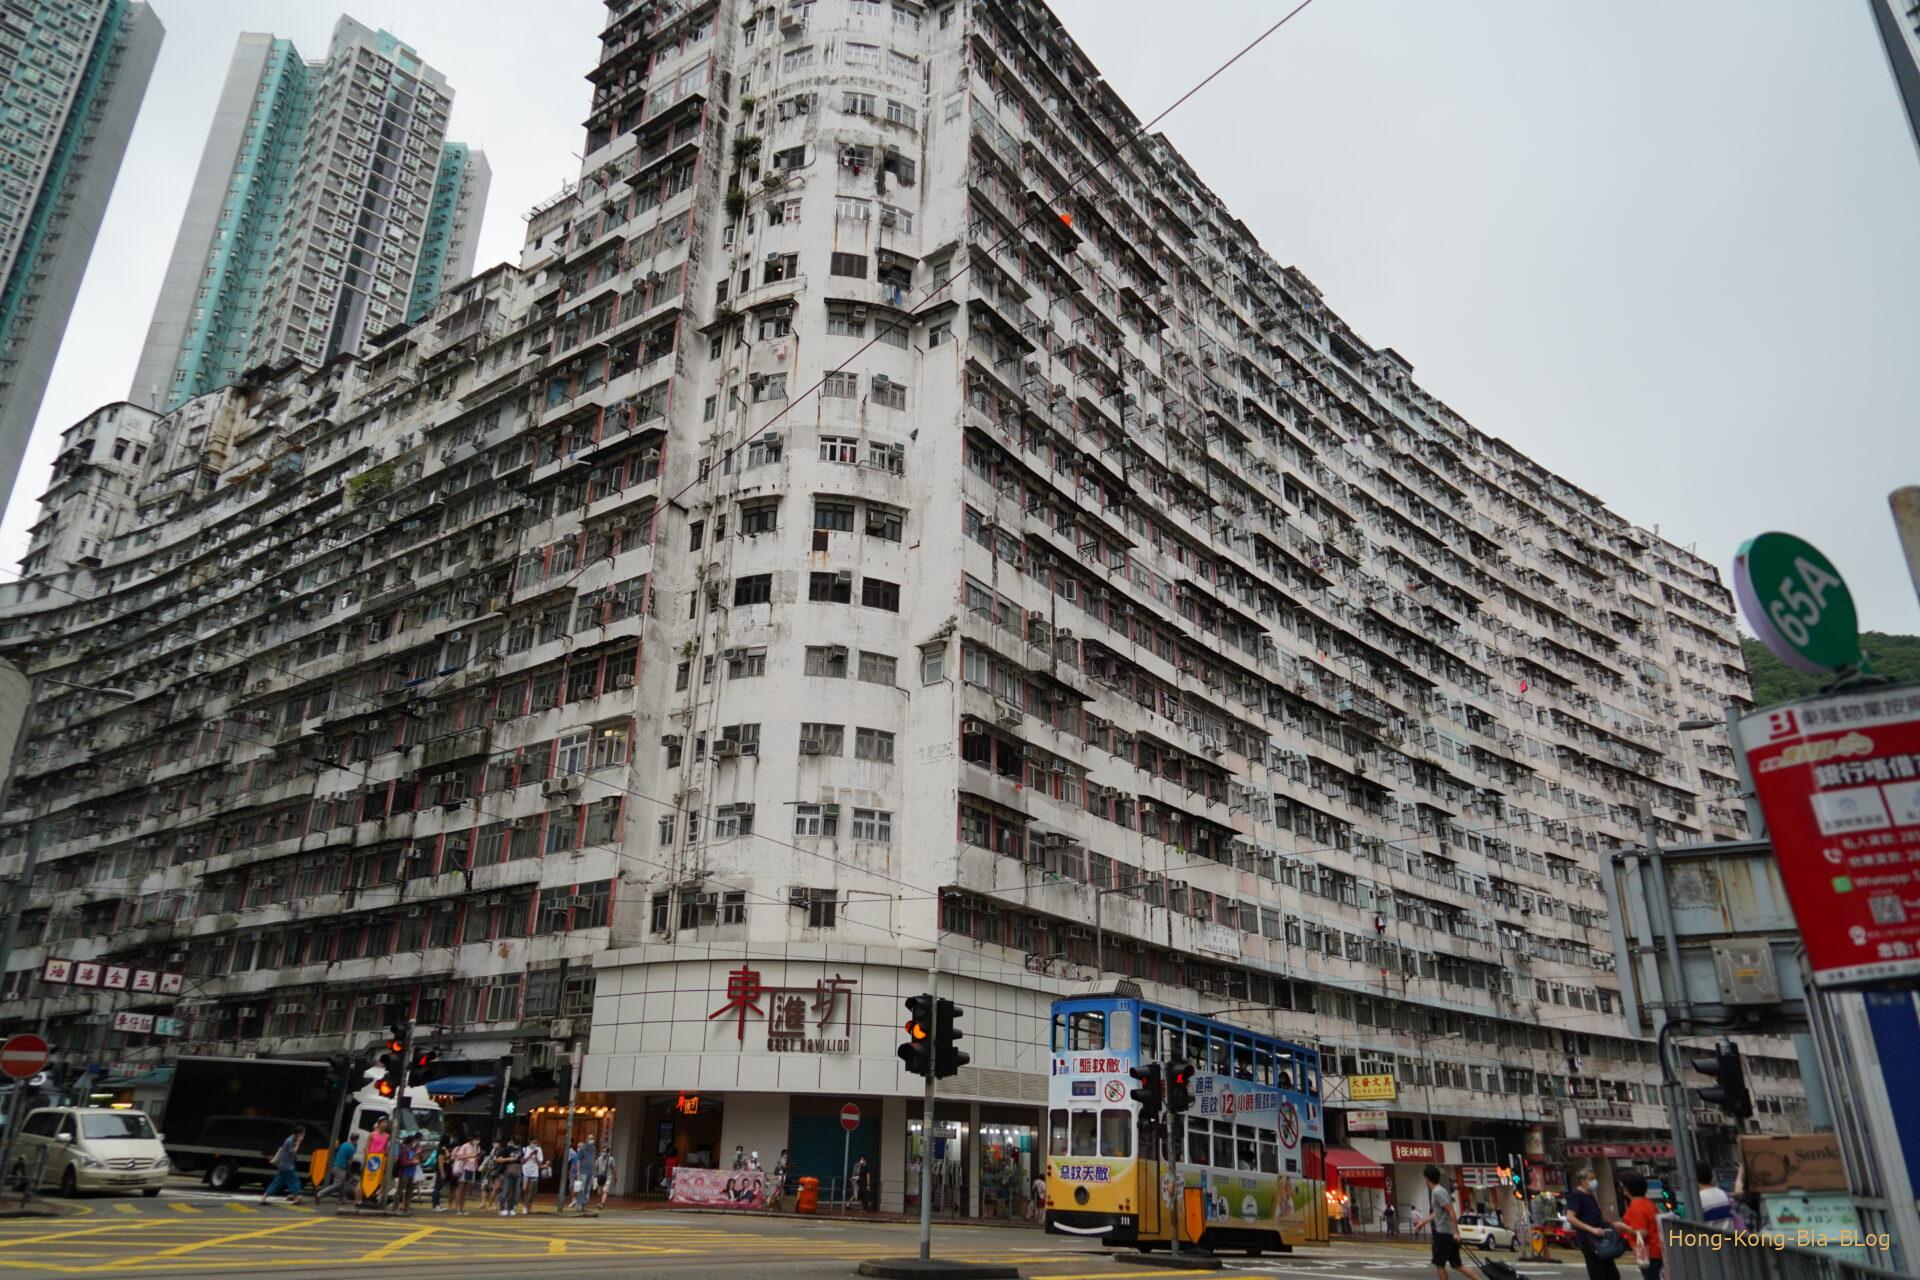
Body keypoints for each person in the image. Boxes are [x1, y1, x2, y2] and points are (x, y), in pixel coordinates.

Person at [1415, 1164, 1472, 1280]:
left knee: (1439, 1263)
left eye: (1424, 1177)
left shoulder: (1437, 1192)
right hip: (1447, 1233)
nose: (1424, 1180)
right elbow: (1437, 1213)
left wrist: (1456, 1232)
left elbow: (1451, 1211)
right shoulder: (1438, 1191)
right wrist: (1423, 1222)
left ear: (1427, 1178)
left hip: (1444, 1234)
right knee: (1457, 1264)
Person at [1566, 1168, 1620, 1280]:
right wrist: (1591, 1229)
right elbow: (1570, 1217)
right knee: (1598, 1273)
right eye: (1591, 1179)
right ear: (1582, 1181)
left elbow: (1595, 1215)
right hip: (1589, 1240)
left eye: (1595, 1178)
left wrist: (1612, 1224)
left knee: (1612, 1274)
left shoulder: (1590, 1195)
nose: (1594, 1182)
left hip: (1600, 1238)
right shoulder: (1577, 1195)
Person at [1613, 1172, 1664, 1280]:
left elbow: (1642, 1232)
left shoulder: (1636, 1206)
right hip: (1657, 1249)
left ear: (1627, 1188)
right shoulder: (1648, 1202)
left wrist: (1622, 1226)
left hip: (1648, 1253)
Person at [259, 1126, 306, 1203]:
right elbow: (293, 1152)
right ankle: (296, 1199)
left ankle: (263, 1198)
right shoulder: (290, 1141)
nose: (304, 1136)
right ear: (299, 1134)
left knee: (277, 1182)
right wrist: (298, 1143)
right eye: (303, 1134)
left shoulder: (290, 1138)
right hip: (287, 1166)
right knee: (295, 1181)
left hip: (283, 1166)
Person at [314, 1134, 357, 1205]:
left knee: (342, 1184)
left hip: (335, 1166)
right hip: (341, 1168)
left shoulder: (344, 1144)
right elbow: (349, 1161)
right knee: (337, 1186)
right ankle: (319, 1194)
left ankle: (342, 1200)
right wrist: (348, 1171)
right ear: (356, 1140)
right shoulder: (352, 1148)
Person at [450, 1134, 479, 1214]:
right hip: (464, 1168)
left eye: (478, 1139)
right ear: (472, 1139)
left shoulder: (476, 1147)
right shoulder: (465, 1146)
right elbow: (458, 1157)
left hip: (471, 1169)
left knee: (465, 1190)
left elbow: (476, 1157)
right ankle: (458, 1208)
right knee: (461, 1189)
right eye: (476, 1139)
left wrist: (476, 1162)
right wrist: (469, 1156)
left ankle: (462, 1208)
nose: (477, 1141)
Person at [395, 1134, 422, 1214]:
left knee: (409, 1192)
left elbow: (417, 1159)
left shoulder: (413, 1151)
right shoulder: (404, 1151)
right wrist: (413, 1162)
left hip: (412, 1174)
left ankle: (406, 1208)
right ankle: (395, 1207)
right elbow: (404, 1163)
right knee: (400, 1191)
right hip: (405, 1173)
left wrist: (419, 1154)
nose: (415, 1143)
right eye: (414, 1141)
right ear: (410, 1142)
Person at [520, 1138, 545, 1214]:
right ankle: (524, 1205)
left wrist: (536, 1155)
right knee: (525, 1189)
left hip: (534, 1173)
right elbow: (522, 1161)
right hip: (525, 1172)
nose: (534, 1144)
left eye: (536, 1143)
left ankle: (527, 1205)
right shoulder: (524, 1149)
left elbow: (539, 1163)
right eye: (533, 1142)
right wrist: (530, 1155)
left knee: (531, 1190)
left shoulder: (538, 1150)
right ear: (529, 1142)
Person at [498, 1140, 522, 1216]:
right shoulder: (506, 1149)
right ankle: (502, 1208)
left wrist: (522, 1161)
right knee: (505, 1191)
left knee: (516, 1192)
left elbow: (522, 1158)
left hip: (517, 1172)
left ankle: (511, 1208)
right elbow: (498, 1159)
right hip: (507, 1172)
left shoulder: (520, 1149)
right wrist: (508, 1159)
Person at [575, 1137, 598, 1211]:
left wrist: (594, 1171)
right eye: (590, 1139)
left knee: (588, 1189)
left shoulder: (593, 1149)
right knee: (582, 1188)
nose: (592, 1140)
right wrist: (578, 1171)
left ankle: (584, 1204)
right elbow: (578, 1160)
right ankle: (579, 1204)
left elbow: (593, 1159)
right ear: (587, 1140)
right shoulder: (582, 1149)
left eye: (592, 1139)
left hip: (591, 1172)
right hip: (583, 1172)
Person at [596, 1144, 617, 1208]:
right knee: (600, 1192)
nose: (603, 1153)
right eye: (602, 1151)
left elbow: (613, 1168)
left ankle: (602, 1203)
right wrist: (595, 1175)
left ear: (608, 1152)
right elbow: (596, 1166)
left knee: (605, 1190)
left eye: (604, 1151)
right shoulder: (599, 1158)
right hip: (600, 1177)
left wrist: (615, 1177)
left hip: (608, 1177)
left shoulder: (611, 1159)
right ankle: (602, 1202)